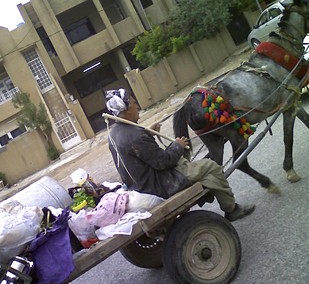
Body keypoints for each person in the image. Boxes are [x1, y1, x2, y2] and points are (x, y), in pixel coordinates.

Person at [105, 89, 255, 222]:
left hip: (139, 184)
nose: (136, 105)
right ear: (124, 109)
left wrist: (147, 133)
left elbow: (136, 152)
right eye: (132, 102)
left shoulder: (113, 134)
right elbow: (164, 162)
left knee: (190, 163)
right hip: (158, 185)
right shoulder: (136, 135)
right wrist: (178, 145)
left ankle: (209, 187)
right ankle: (232, 210)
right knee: (211, 167)